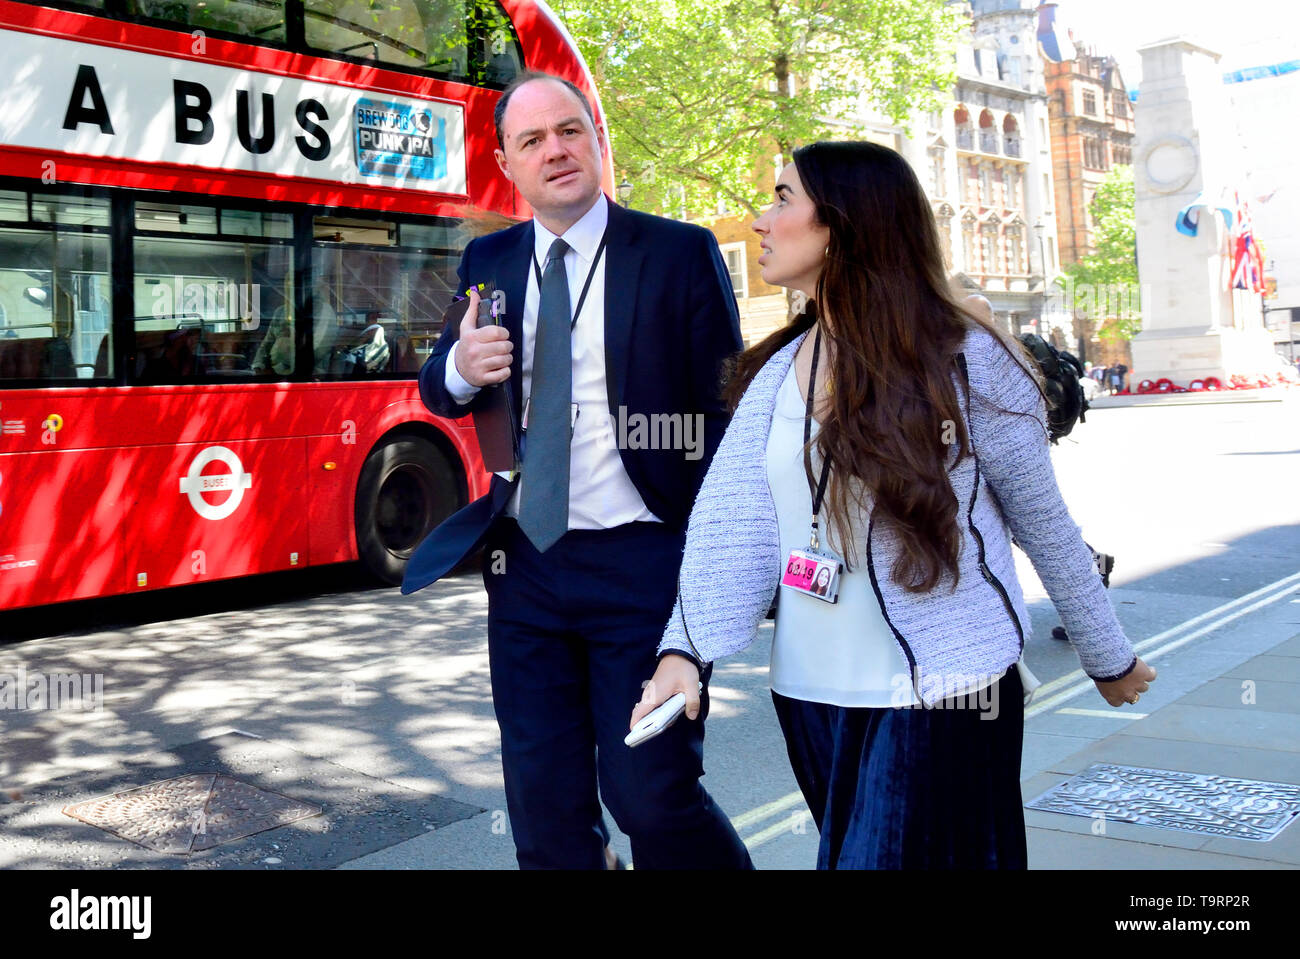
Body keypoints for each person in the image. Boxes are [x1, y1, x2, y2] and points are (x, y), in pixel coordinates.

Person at [633, 140, 1155, 869]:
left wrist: (1107, 654)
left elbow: (1044, 522)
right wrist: (681, 652)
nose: (760, 219)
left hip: (944, 691)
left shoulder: (966, 357)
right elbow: (730, 531)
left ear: (844, 224)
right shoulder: (777, 371)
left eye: (783, 198)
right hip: (810, 694)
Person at [402, 71, 753, 870]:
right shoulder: (487, 259)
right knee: (545, 810)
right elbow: (438, 386)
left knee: (652, 796)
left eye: (568, 130)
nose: (555, 150)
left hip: (645, 566)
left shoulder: (678, 252)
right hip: (524, 565)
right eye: (532, 141)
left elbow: (728, 421)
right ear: (508, 163)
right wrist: (460, 364)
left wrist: (720, 574)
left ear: (595, 136)